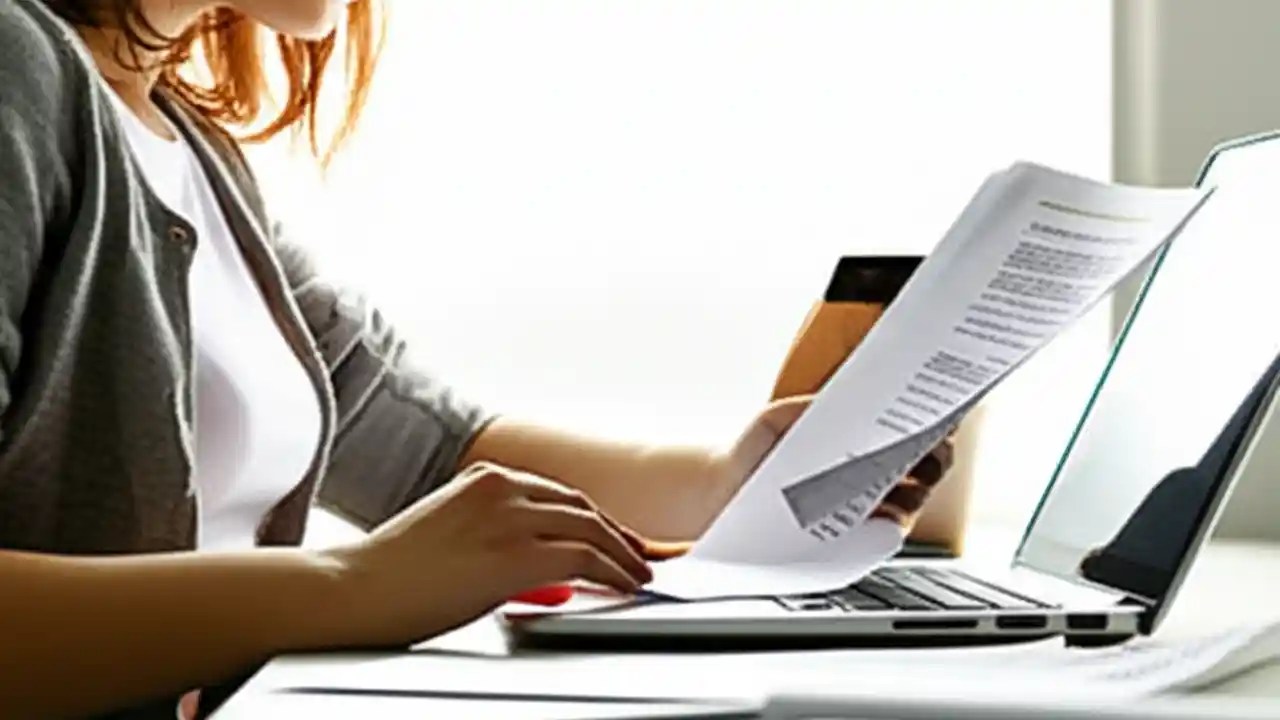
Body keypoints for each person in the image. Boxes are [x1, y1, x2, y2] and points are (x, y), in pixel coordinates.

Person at [0, 1, 955, 717]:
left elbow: (431, 449)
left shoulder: (196, 156)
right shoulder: (17, 68)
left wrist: (731, 480)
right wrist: (353, 589)